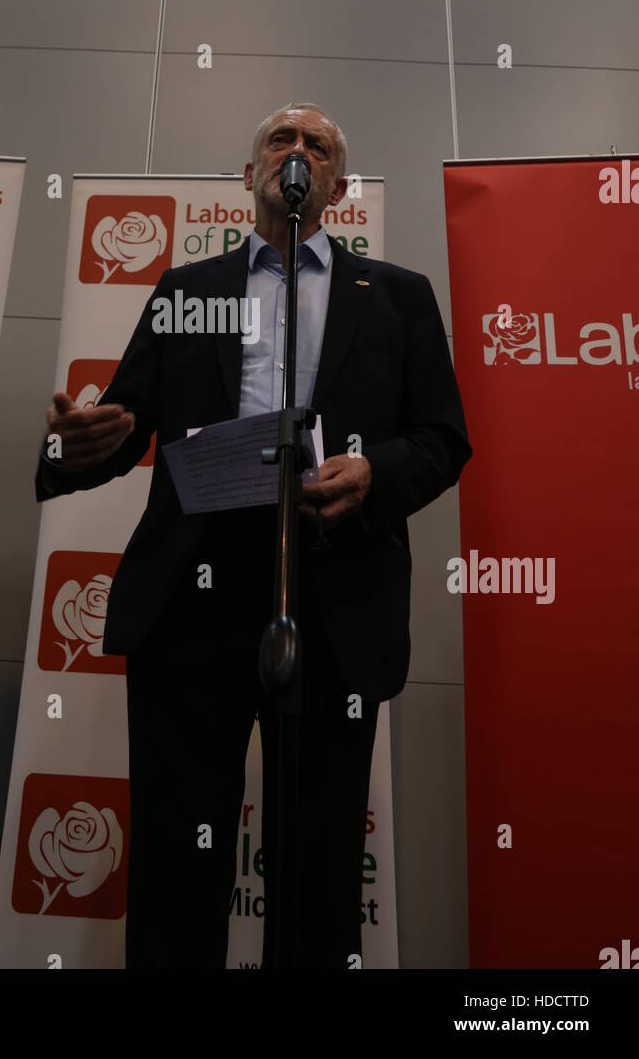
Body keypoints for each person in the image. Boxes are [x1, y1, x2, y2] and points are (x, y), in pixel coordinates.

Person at [36, 103, 472, 968]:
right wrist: (71, 443)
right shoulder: (186, 292)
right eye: (281, 140)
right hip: (192, 609)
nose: (297, 152)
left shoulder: (396, 296)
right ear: (248, 175)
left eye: (318, 146)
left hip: (334, 604)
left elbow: (442, 440)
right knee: (174, 871)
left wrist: (376, 473)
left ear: (338, 187)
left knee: (317, 878)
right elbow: (118, 427)